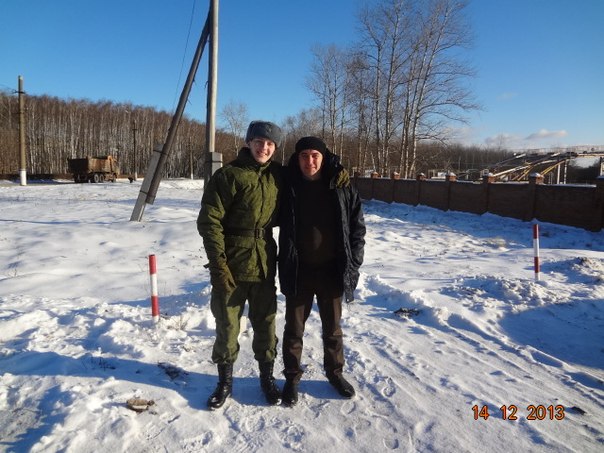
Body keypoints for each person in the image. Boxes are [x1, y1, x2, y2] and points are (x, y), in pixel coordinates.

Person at [197, 120, 283, 409]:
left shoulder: (278, 176)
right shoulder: (228, 175)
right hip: (232, 265)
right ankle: (224, 382)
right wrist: (218, 265)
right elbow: (210, 222)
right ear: (248, 143)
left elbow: (311, 172)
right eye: (259, 142)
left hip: (264, 263)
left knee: (266, 323)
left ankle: (267, 378)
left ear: (275, 148)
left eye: (270, 144)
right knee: (227, 325)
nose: (264, 148)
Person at [278, 136, 366, 407]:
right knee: (294, 329)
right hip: (299, 270)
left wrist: (354, 261)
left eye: (315, 155)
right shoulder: (288, 185)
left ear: (323, 157)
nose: (310, 161)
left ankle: (335, 373)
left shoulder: (340, 185)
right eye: (304, 156)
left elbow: (357, 227)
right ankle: (292, 378)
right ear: (297, 159)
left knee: (333, 329)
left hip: (331, 270)